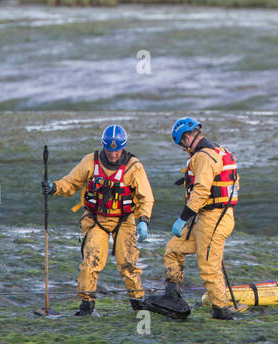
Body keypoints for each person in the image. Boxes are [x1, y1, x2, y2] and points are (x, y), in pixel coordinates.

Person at [41, 124, 153, 316]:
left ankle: (137, 301)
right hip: (96, 220)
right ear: (104, 147)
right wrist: (54, 187)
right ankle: (86, 304)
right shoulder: (90, 162)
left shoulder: (134, 167)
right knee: (90, 260)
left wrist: (143, 220)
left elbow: (146, 197)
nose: (113, 154)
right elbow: (71, 183)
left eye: (117, 150)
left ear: (123, 147)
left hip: (124, 221)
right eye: (109, 150)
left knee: (127, 262)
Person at [147, 117, 239, 321]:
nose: (182, 149)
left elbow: (202, 191)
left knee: (208, 266)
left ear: (188, 138)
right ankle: (172, 294)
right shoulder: (218, 151)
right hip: (205, 217)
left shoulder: (204, 157)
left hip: (214, 219)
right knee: (173, 249)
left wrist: (182, 218)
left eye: (181, 144)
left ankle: (221, 311)